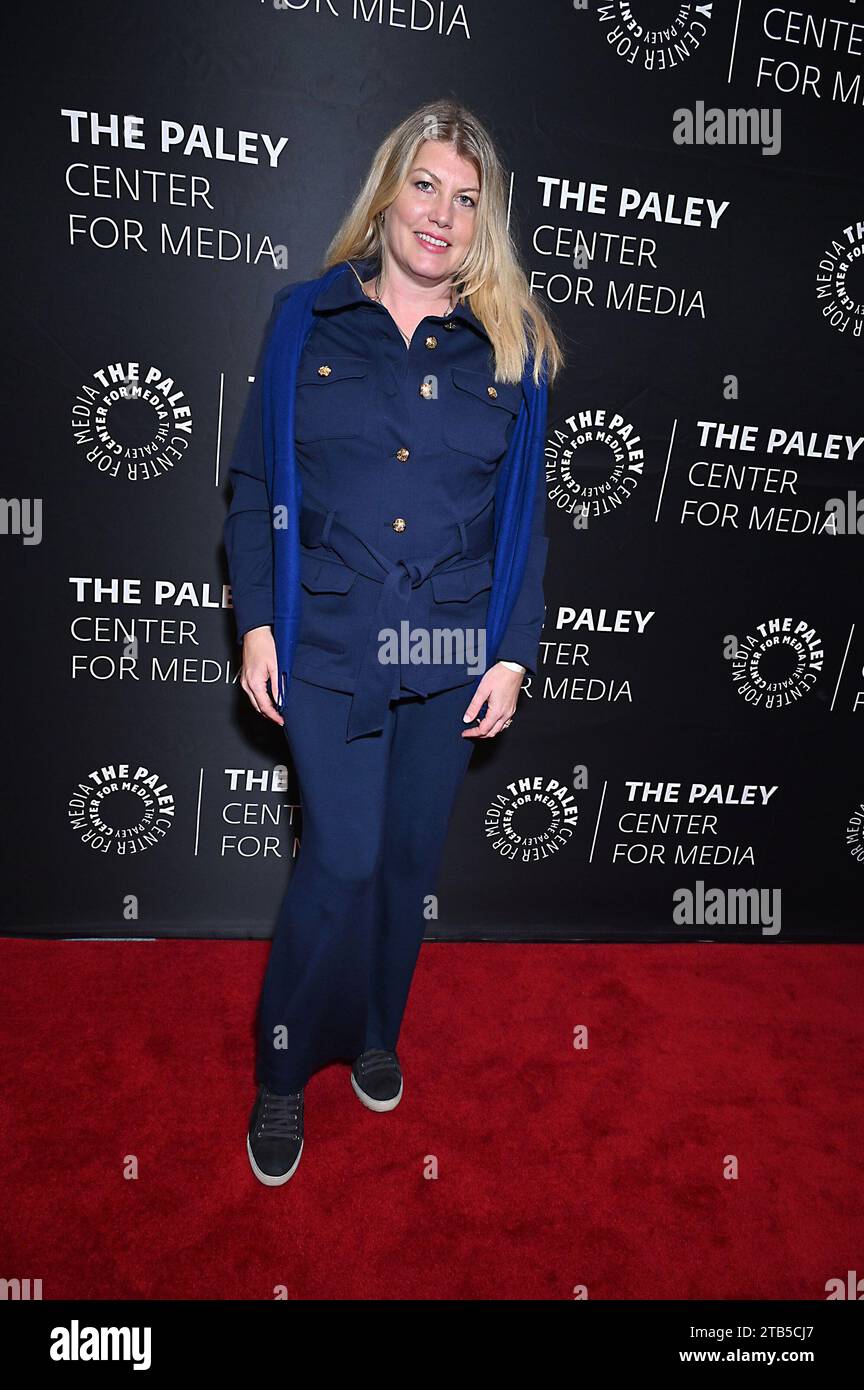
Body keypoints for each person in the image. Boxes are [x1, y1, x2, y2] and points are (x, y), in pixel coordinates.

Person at [224, 98, 564, 1185]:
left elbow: (527, 515)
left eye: (468, 199)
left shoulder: (516, 353)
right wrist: (258, 618)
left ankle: (377, 1027)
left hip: (451, 644)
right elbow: (251, 487)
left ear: (484, 223)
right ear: (388, 192)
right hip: (325, 629)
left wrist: (512, 652)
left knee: (409, 862)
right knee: (343, 857)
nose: (442, 212)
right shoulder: (303, 319)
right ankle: (283, 1068)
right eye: (426, 185)